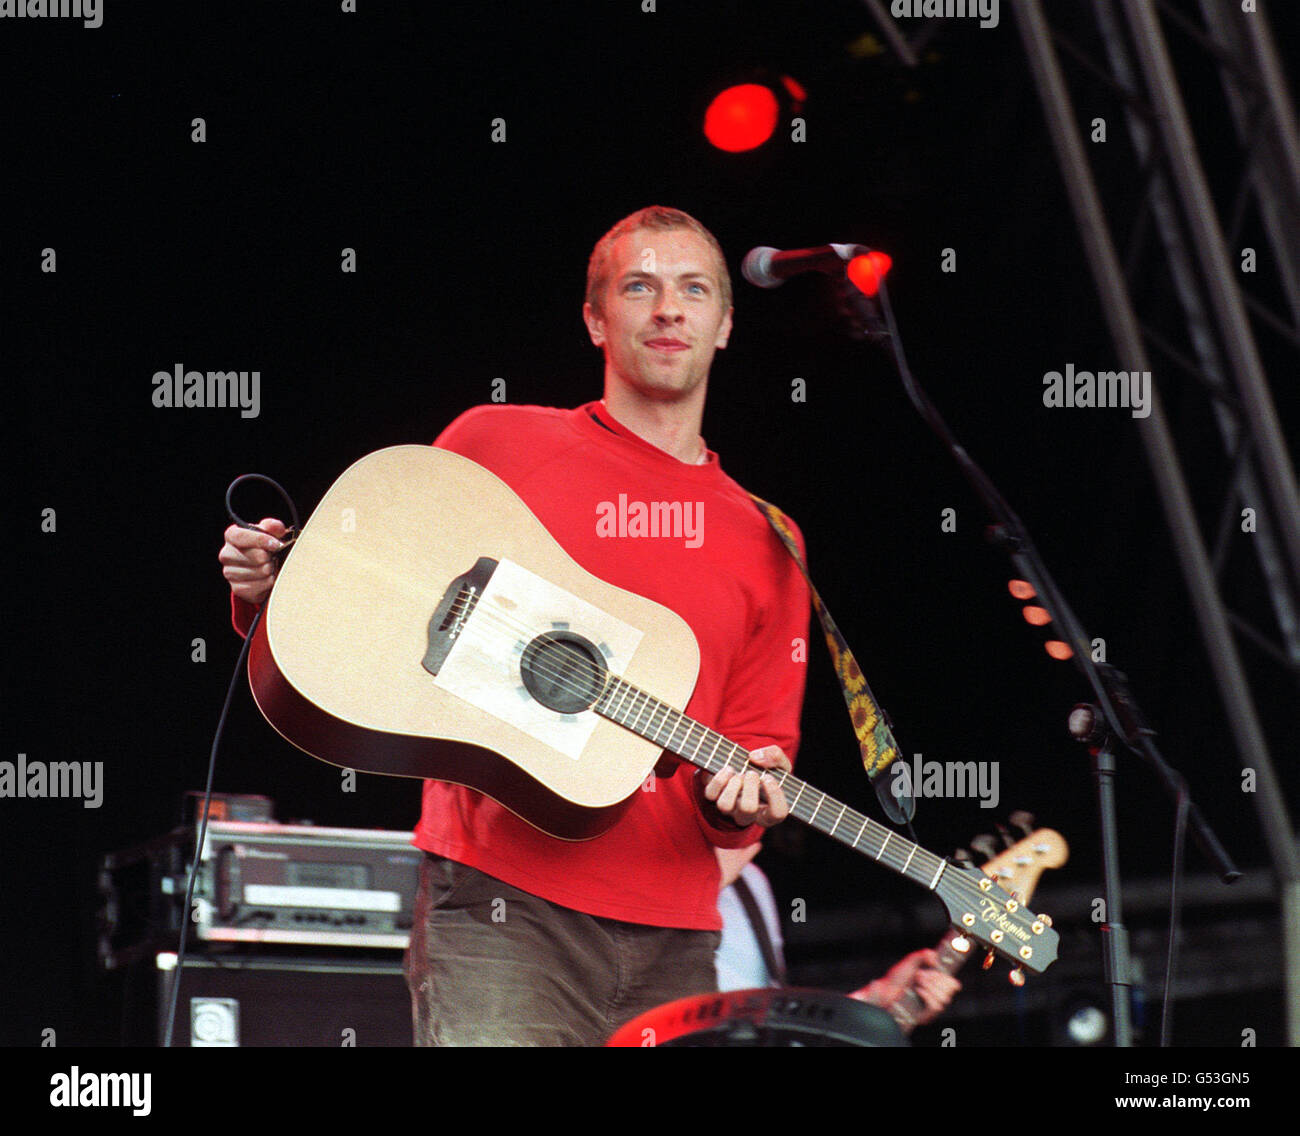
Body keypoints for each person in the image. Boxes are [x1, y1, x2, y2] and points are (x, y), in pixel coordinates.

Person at [221, 205, 813, 1046]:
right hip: (501, 912)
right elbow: (367, 604)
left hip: (683, 938)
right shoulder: (496, 444)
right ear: (595, 319)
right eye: (639, 286)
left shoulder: (771, 538)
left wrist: (743, 801)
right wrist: (264, 590)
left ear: (725, 323)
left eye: (694, 289)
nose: (669, 309)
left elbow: (751, 760)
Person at [715, 846, 961, 1031]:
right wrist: (704, 884)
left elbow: (772, 1022)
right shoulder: (730, 872)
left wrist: (873, 998)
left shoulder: (750, 880)